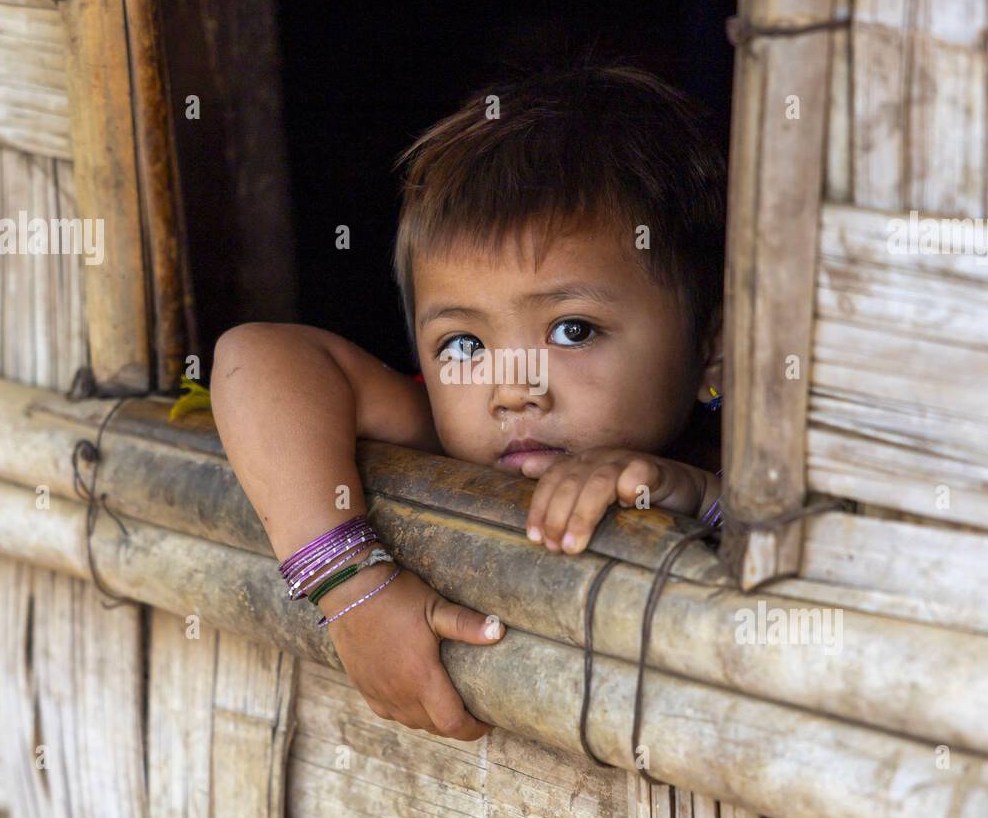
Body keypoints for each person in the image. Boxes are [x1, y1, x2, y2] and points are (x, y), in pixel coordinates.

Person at [211, 63, 726, 741]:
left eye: (572, 330)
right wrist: (349, 586)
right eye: (462, 345)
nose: (512, 387)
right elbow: (253, 358)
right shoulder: (434, 427)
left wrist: (698, 494)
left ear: (712, 346)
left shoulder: (750, 453)